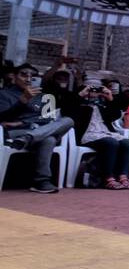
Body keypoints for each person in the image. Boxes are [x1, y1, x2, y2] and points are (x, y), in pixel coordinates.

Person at [0, 62, 75, 193]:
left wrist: (23, 122)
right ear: (14, 76)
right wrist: (22, 101)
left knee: (68, 121)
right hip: (13, 134)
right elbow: (3, 117)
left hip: (32, 133)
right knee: (49, 139)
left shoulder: (41, 96)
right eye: (24, 75)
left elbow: (47, 118)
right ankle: (41, 181)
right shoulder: (4, 94)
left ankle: (28, 138)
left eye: (32, 77)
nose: (28, 79)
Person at [73, 79, 129, 189]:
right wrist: (82, 94)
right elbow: (66, 110)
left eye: (97, 88)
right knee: (112, 143)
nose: (94, 91)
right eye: (91, 88)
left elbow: (114, 115)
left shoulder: (101, 105)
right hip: (88, 134)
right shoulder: (78, 103)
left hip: (105, 132)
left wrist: (110, 98)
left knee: (126, 143)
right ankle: (108, 178)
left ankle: (122, 176)